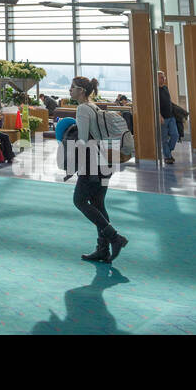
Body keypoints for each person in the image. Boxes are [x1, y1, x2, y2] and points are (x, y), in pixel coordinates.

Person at [70, 76, 128, 263]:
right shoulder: (95, 107)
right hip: (105, 160)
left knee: (79, 200)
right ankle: (102, 249)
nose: (69, 90)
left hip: (92, 162)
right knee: (98, 203)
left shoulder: (82, 109)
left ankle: (115, 238)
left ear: (81, 91)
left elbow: (84, 141)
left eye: (72, 87)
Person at [157, 70, 179, 164]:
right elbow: (155, 105)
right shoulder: (155, 90)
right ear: (156, 78)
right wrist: (159, 116)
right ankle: (168, 157)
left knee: (175, 135)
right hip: (163, 118)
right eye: (161, 77)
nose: (163, 78)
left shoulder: (166, 88)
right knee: (164, 138)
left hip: (171, 117)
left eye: (164, 77)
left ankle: (168, 151)